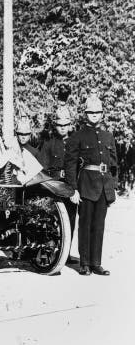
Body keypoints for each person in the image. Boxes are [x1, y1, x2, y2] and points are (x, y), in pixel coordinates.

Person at [65, 90, 118, 276]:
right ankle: (85, 263)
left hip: (104, 187)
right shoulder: (77, 137)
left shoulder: (108, 136)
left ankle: (96, 263)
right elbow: (70, 164)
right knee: (85, 225)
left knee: (99, 226)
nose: (94, 116)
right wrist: (73, 189)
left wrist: (112, 188)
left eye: (97, 113)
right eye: (91, 113)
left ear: (102, 114)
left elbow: (113, 165)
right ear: (86, 114)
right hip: (86, 186)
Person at [39, 105, 77, 260]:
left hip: (71, 185)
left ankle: (65, 254)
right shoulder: (49, 143)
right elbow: (42, 167)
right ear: (55, 125)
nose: (62, 128)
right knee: (53, 222)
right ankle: (49, 254)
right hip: (54, 186)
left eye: (65, 125)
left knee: (71, 220)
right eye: (60, 125)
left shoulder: (75, 142)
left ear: (70, 125)